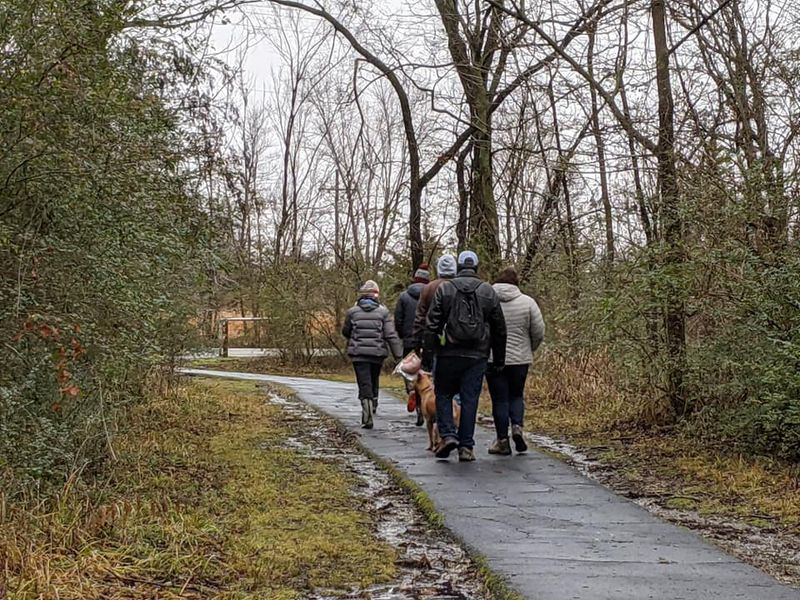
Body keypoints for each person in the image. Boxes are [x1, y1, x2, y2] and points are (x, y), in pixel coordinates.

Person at [422, 251, 507, 462]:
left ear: (459, 267)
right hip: (477, 355)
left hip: (448, 353)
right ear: (476, 267)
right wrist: (498, 360)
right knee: (470, 399)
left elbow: (431, 325)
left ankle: (448, 436)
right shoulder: (488, 291)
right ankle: (466, 447)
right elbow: (500, 329)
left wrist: (427, 356)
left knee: (443, 394)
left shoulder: (445, 289)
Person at [485, 267, 545, 456]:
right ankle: (517, 427)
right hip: (520, 359)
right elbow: (538, 331)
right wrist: (529, 348)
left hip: (494, 358)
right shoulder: (528, 302)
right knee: (516, 395)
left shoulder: (487, 302)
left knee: (500, 399)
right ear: (516, 283)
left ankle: (502, 440)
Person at [342, 280, 403, 429]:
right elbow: (390, 334)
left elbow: (346, 331)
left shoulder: (352, 312)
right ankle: (374, 402)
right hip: (377, 353)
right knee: (374, 377)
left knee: (364, 381)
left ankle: (366, 405)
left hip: (358, 353)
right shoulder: (383, 312)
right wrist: (399, 355)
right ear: (376, 295)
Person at [395, 264, 431, 426]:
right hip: (428, 341)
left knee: (409, 372)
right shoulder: (433, 294)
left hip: (409, 341)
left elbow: (398, 319)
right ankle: (425, 403)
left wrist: (403, 335)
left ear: (414, 279)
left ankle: (412, 394)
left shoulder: (404, 297)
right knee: (427, 374)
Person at [410, 254, 457, 349]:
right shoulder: (460, 287)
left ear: (439, 269)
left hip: (432, 342)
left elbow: (420, 318)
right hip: (457, 343)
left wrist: (417, 343)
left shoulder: (428, 288)